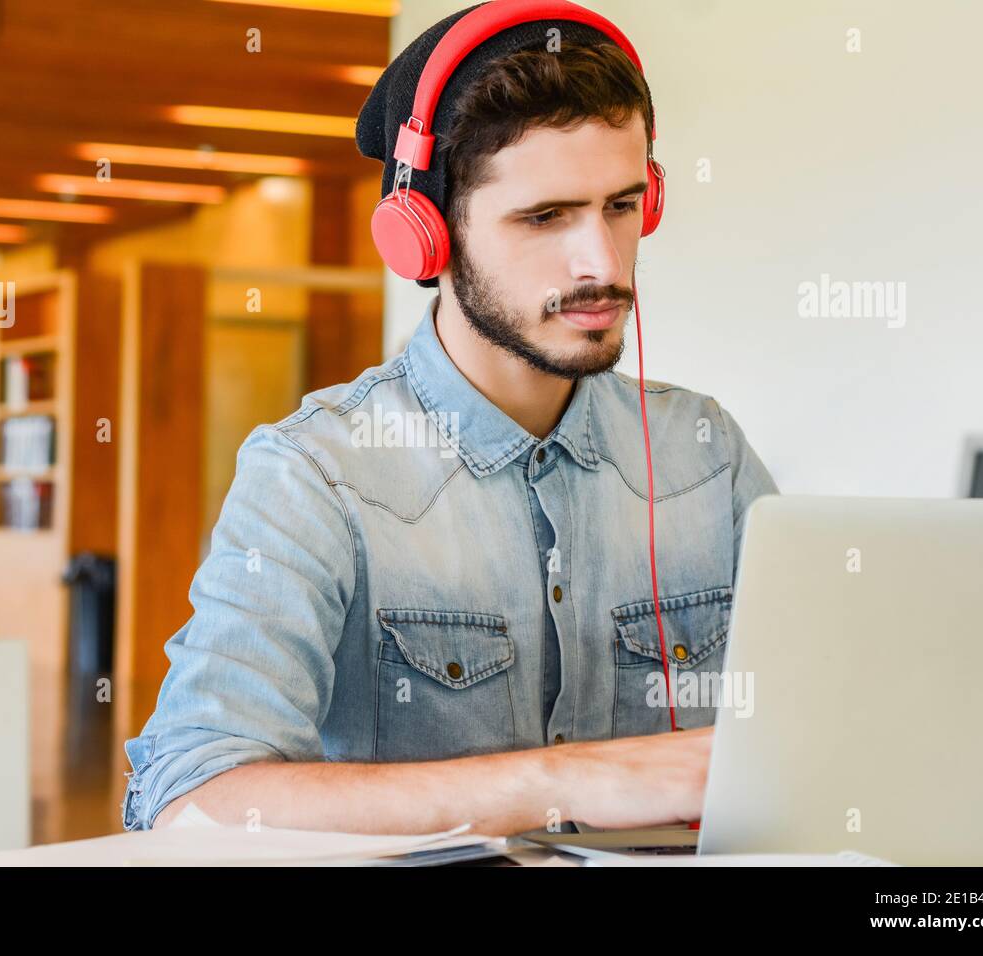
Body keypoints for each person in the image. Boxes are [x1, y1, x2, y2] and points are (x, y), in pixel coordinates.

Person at [121, 4, 776, 837]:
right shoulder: (315, 475)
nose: (603, 265)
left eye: (620, 206)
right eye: (546, 217)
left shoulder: (705, 455)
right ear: (425, 234)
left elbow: (830, 722)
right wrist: (563, 781)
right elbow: (192, 797)